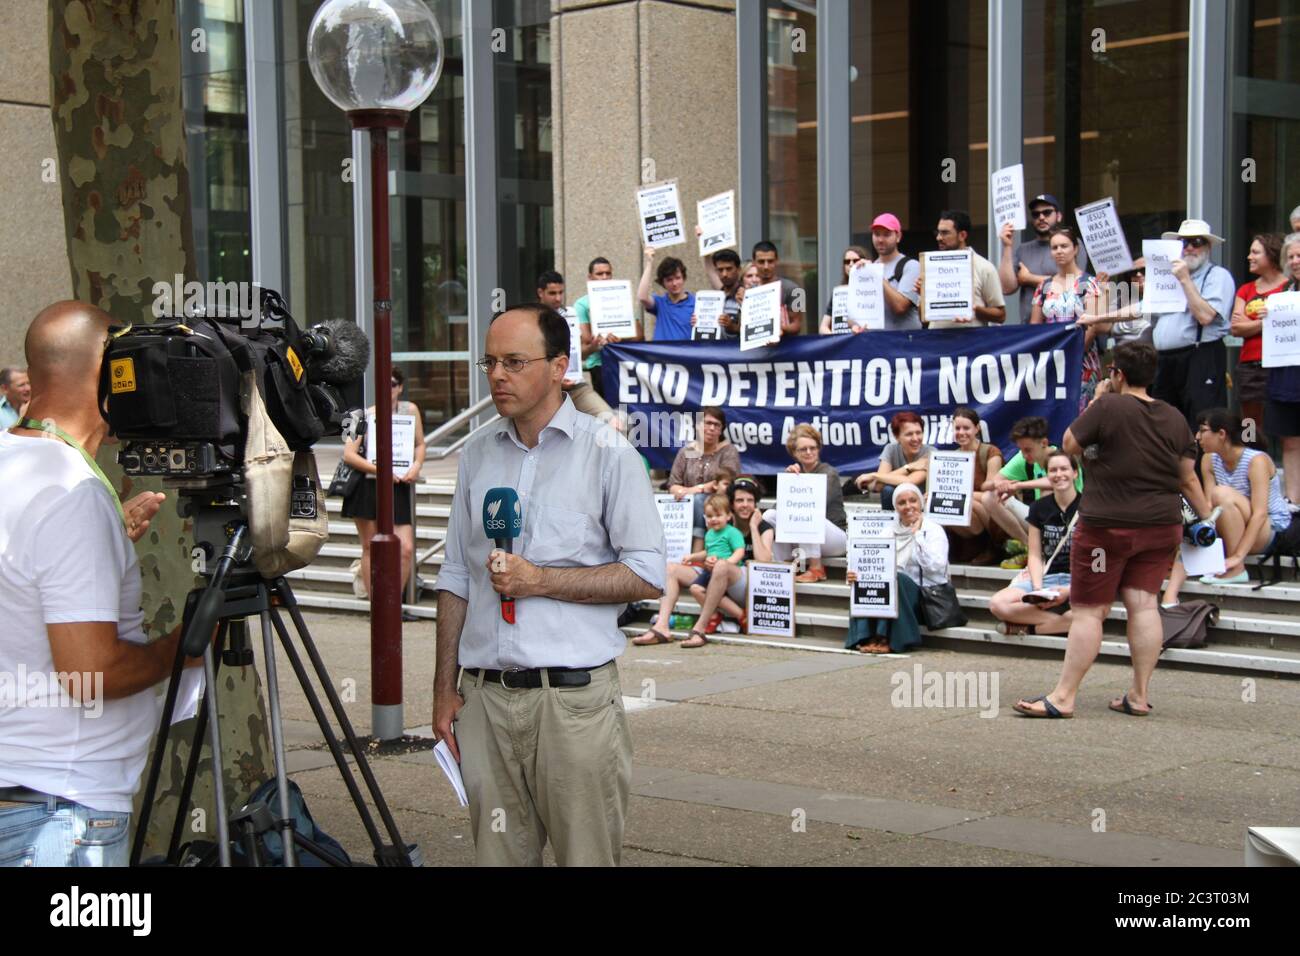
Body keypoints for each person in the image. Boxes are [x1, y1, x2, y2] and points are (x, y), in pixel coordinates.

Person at [432, 303, 664, 867]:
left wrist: (541, 580)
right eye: (489, 362)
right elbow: (457, 574)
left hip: (573, 706)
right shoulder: (478, 453)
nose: (497, 376)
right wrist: (444, 687)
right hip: (484, 700)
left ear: (560, 366)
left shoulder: (609, 453)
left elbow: (646, 574)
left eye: (514, 361)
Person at [0, 301, 205, 867]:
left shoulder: (11, 463)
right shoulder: (72, 496)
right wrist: (185, 648)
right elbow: (91, 674)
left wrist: (102, 551)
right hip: (58, 816)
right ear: (107, 371)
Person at [1014, 341, 1212, 719]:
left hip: (1107, 528)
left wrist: (1098, 399)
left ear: (1117, 373)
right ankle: (1138, 695)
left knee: (1090, 611)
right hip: (1160, 526)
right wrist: (1206, 520)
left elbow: (1069, 445)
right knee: (1143, 604)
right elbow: (1187, 479)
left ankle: (1063, 697)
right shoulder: (1174, 417)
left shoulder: (1107, 405)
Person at [1162, 408, 1294, 600]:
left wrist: (1238, 556)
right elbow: (1208, 507)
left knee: (1221, 494)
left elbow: (1260, 514)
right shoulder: (1209, 459)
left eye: (1203, 430)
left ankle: (1237, 569)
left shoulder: (1256, 460)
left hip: (1268, 529)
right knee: (1197, 525)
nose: (1197, 437)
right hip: (1231, 521)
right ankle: (1170, 597)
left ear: (1222, 434)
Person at [341, 366, 426, 599]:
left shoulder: (410, 410)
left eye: (392, 384)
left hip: (398, 485)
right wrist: (381, 470)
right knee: (370, 547)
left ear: (400, 388)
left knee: (406, 548)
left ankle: (391, 603)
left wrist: (416, 466)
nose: (387, 389)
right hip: (367, 486)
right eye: (383, 383)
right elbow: (349, 454)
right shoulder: (359, 415)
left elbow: (420, 444)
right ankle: (377, 604)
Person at [1148, 219, 1236, 429]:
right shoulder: (1169, 279)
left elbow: (1205, 316)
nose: (1188, 248)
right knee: (1164, 424)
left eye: (1196, 242)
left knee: (1202, 422)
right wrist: (1097, 316)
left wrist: (1186, 280)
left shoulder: (1218, 276)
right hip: (1166, 361)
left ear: (1208, 247)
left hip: (1200, 355)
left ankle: (1203, 463)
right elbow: (1142, 307)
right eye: (1183, 243)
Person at [844, 482, 948, 654]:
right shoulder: (888, 531)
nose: (908, 506)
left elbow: (935, 568)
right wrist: (855, 574)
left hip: (925, 596)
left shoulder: (933, 530)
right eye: (902, 503)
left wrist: (918, 536)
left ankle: (887, 638)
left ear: (920, 503)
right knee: (870, 578)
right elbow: (873, 563)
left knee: (896, 578)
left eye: (913, 501)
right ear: (895, 507)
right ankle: (867, 637)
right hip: (893, 591)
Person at [634, 493, 745, 649]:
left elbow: (739, 551)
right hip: (710, 571)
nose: (713, 519)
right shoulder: (710, 533)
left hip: (731, 573)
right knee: (675, 572)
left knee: (718, 568)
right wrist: (693, 557)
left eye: (718, 515)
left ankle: (720, 621)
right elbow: (708, 552)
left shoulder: (732, 532)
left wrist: (725, 563)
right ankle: (662, 627)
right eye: (710, 516)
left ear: (728, 516)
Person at [989, 450, 1079, 637]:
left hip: (1080, 581)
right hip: (1047, 578)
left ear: (1075, 473)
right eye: (1053, 470)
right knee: (997, 604)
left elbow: (1100, 559)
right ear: (1047, 475)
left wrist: (1069, 590)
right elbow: (1035, 554)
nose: (1059, 474)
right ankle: (1056, 624)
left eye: (1064, 469)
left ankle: (1027, 628)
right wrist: (1038, 590)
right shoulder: (1039, 508)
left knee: (1085, 616)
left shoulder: (1090, 507)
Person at [982, 416, 1083, 566]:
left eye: (1028, 450)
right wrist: (1002, 485)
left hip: (1070, 523)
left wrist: (1019, 486)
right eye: (1021, 450)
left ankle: (1046, 553)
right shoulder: (1023, 459)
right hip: (1038, 520)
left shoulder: (1062, 459)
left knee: (1047, 494)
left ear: (1044, 443)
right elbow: (987, 485)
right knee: (989, 497)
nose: (1024, 455)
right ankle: (1032, 550)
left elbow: (1054, 482)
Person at [1027, 225, 1105, 410]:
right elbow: (1034, 328)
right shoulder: (1044, 286)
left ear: (1075, 249)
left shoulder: (1090, 283)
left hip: (1082, 363)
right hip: (1051, 363)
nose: (1059, 251)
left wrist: (1071, 352)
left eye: (1064, 246)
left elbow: (1093, 327)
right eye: (1054, 247)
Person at [761, 424, 848, 583]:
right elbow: (779, 510)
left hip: (835, 539)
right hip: (805, 538)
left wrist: (799, 483)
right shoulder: (795, 473)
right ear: (794, 453)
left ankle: (816, 568)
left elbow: (814, 504)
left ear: (818, 449)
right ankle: (783, 566)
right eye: (803, 449)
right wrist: (790, 483)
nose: (809, 452)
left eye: (813, 448)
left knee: (806, 511)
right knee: (769, 515)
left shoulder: (829, 472)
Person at [538, 271, 622, 430]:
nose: (557, 298)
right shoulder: (531, 320)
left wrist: (593, 347)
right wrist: (554, 380)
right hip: (544, 390)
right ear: (540, 293)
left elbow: (578, 355)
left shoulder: (570, 315)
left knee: (615, 424)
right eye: (552, 293)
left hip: (576, 385)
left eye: (561, 292)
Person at [691, 476, 772, 635]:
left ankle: (701, 626)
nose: (745, 505)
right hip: (722, 578)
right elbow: (712, 550)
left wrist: (753, 527)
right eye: (740, 500)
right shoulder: (722, 524)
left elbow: (764, 561)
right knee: (673, 570)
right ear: (732, 505)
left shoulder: (764, 527)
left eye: (750, 500)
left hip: (750, 583)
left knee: (721, 566)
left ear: (755, 504)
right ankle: (661, 625)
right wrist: (708, 560)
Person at [1228, 234, 1288, 448]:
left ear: (1271, 254)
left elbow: (1292, 320)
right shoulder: (1246, 289)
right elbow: (1235, 328)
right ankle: (1251, 464)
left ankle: (1277, 469)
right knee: (1250, 423)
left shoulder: (1289, 288)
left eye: (1255, 252)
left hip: (1281, 364)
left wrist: (1251, 323)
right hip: (1250, 365)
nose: (1249, 257)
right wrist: (1268, 321)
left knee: (1285, 423)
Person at [998, 193, 1088, 319]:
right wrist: (1007, 247)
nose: (1041, 217)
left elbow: (1076, 283)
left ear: (1058, 216)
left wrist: (1029, 278)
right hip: (1031, 328)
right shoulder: (1023, 250)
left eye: (1047, 212)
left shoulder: (1072, 244)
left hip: (1066, 325)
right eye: (1036, 214)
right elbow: (1006, 288)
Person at [666, 405, 742, 544]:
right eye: (708, 423)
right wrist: (681, 491)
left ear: (721, 430)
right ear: (698, 425)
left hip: (718, 503)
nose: (712, 428)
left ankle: (698, 544)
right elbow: (673, 484)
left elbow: (722, 483)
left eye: (717, 425)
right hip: (686, 503)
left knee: (700, 500)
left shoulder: (728, 451)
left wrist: (690, 491)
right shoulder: (687, 451)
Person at [919, 210, 1006, 328]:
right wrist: (923, 295)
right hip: (936, 342)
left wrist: (976, 309)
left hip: (971, 343)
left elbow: (1000, 315)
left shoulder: (984, 267)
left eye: (945, 233)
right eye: (938, 232)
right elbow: (923, 319)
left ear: (962, 235)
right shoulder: (932, 267)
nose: (939, 237)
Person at [575, 256, 642, 400]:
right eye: (599, 274)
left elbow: (640, 336)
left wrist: (621, 339)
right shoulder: (582, 304)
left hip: (625, 362)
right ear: (590, 278)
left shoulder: (623, 297)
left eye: (608, 273)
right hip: (600, 365)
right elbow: (586, 340)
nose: (605, 277)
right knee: (607, 414)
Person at [945, 406, 1004, 564]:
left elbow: (991, 490)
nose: (961, 432)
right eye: (957, 428)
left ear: (976, 429)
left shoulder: (990, 452)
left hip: (989, 509)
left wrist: (965, 496)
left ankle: (994, 545)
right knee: (936, 504)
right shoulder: (952, 457)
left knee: (977, 502)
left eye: (966, 428)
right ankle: (964, 545)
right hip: (966, 511)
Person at [1268, 232, 1300, 503]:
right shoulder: (1283, 294)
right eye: (1290, 256)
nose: (1295, 261)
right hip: (1286, 374)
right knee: (1290, 439)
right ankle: (1293, 501)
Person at [854, 411, 933, 510]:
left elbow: (910, 481)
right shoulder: (891, 449)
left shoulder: (930, 453)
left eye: (918, 433)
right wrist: (909, 467)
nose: (915, 438)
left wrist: (874, 475)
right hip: (899, 506)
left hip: (921, 506)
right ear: (897, 437)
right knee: (887, 490)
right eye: (909, 434)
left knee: (889, 488)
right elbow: (878, 486)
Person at [1075, 259, 1148, 345]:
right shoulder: (1121, 301)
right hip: (1124, 353)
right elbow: (1101, 326)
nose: (1138, 274)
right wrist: (1102, 289)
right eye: (1133, 272)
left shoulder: (1162, 300)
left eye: (1144, 270)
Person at [638, 249, 695, 342]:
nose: (674, 283)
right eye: (669, 280)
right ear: (662, 283)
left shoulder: (696, 303)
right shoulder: (660, 303)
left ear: (684, 278)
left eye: (678, 278)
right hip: (661, 354)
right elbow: (642, 297)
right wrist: (649, 263)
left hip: (685, 354)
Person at [752, 240, 806, 335]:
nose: (766, 266)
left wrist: (778, 329)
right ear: (754, 262)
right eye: (761, 262)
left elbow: (797, 325)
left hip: (786, 346)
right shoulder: (749, 291)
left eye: (770, 261)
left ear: (777, 261)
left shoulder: (796, 290)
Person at [819, 245, 871, 334]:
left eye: (855, 261)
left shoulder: (871, 289)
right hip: (840, 344)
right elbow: (823, 327)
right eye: (847, 261)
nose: (851, 264)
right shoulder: (839, 292)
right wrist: (835, 339)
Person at [699, 243, 745, 337]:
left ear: (738, 269)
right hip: (715, 350)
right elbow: (709, 270)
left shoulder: (744, 295)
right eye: (720, 270)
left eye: (729, 269)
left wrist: (733, 327)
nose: (724, 274)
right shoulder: (719, 295)